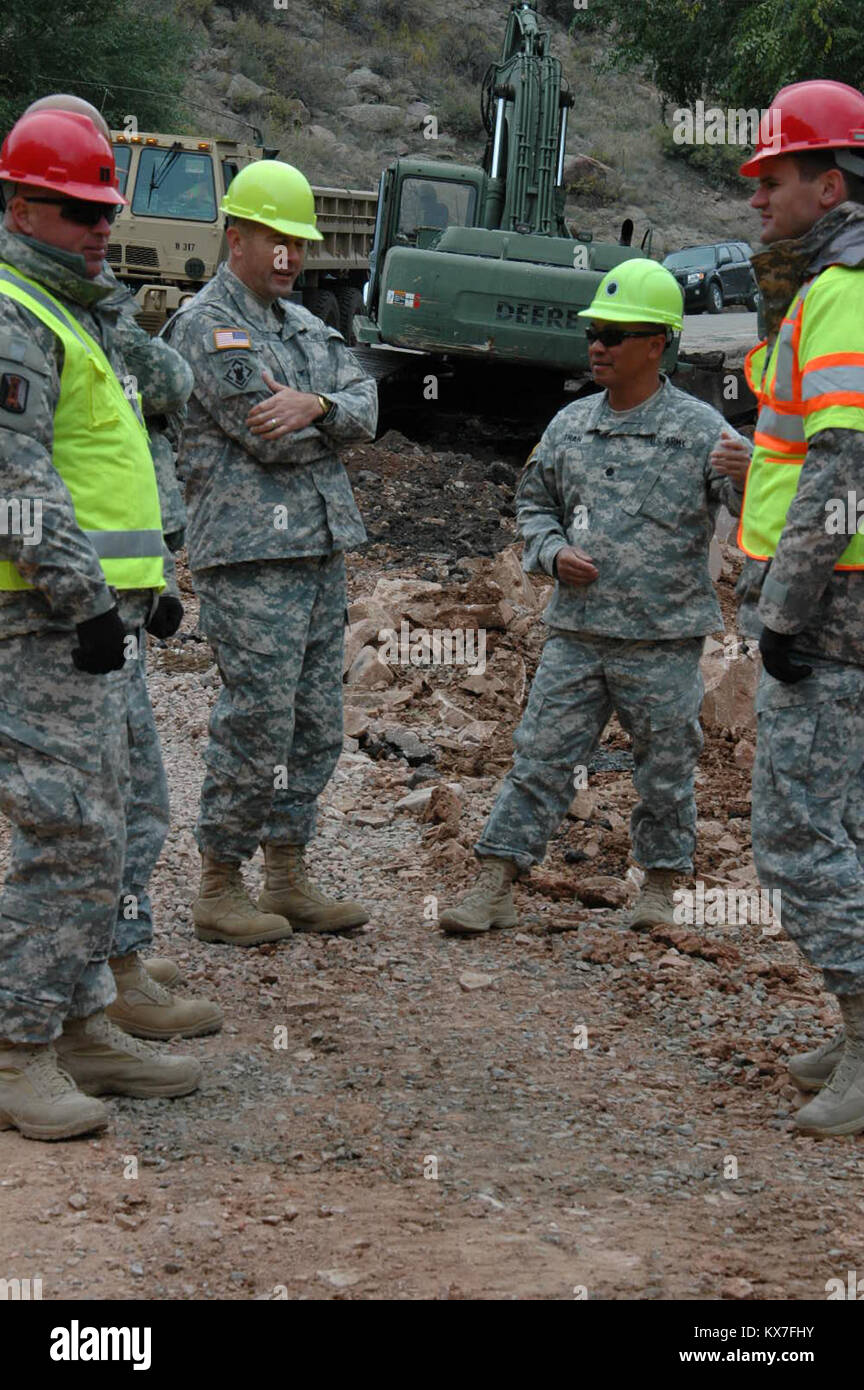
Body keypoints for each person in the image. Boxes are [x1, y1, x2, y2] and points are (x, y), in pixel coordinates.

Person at [439, 259, 750, 935]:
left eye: (614, 332)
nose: (598, 345)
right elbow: (533, 502)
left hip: (663, 639)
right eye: (593, 334)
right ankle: (495, 881)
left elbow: (753, 517)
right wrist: (550, 553)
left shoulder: (703, 430)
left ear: (656, 343)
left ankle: (661, 887)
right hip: (577, 635)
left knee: (666, 769)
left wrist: (752, 475)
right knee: (540, 759)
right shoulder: (570, 425)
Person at [0, 109, 201, 1141]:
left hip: (84, 615)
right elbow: (16, 484)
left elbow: (112, 468)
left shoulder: (68, 312)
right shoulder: (12, 313)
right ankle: (14, 1046)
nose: (96, 229)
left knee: (107, 822)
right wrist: (84, 604)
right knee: (68, 830)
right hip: (35, 620)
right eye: (76, 211)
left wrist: (143, 582)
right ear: (21, 203)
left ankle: (75, 1023)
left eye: (103, 212)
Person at [165, 160, 378, 946]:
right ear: (237, 237)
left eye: (297, 242)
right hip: (250, 555)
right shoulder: (205, 325)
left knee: (315, 720)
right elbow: (269, 437)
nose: (288, 257)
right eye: (273, 240)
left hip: (320, 547)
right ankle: (219, 882)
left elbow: (368, 404)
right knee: (257, 718)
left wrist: (318, 404)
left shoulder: (302, 325)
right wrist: (324, 418)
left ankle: (287, 875)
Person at [735, 80, 864, 1136]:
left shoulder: (845, 289)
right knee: (845, 827)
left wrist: (785, 607)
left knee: (796, 833)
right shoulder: (833, 281)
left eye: (771, 179)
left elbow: (846, 463)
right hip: (843, 600)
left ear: (829, 184)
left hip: (831, 610)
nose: (756, 199)